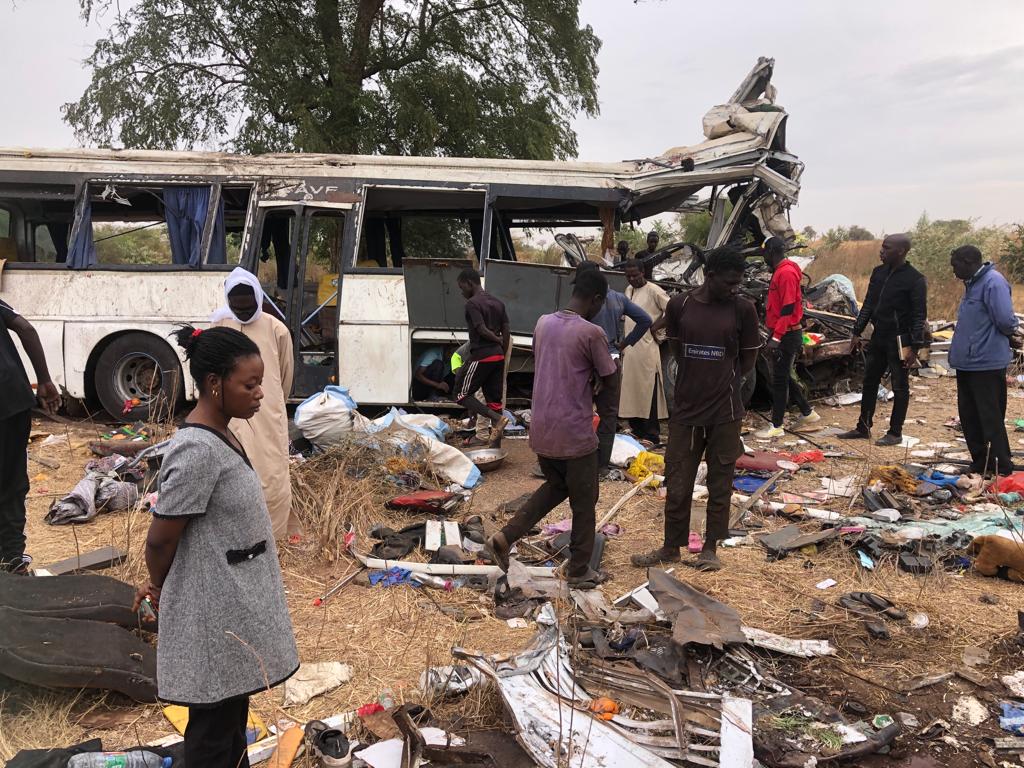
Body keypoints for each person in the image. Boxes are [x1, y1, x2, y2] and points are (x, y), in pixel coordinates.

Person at [134, 325, 298, 768]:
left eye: (260, 382)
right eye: (249, 384)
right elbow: (161, 538)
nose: (259, 393)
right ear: (213, 383)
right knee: (211, 734)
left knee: (230, 722)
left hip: (228, 610)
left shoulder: (223, 433)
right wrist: (158, 586)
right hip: (210, 616)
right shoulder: (197, 451)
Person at [631, 248, 761, 572]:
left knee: (720, 482)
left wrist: (721, 381)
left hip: (725, 413)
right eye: (728, 282)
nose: (734, 288)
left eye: (738, 283)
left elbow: (747, 361)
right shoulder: (680, 305)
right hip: (686, 412)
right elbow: (677, 350)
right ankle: (670, 547)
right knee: (677, 481)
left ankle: (710, 548)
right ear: (709, 276)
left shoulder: (743, 309)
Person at [487, 269, 617, 588]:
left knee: (558, 485)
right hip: (574, 431)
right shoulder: (592, 333)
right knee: (585, 501)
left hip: (542, 429)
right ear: (596, 299)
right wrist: (605, 431)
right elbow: (610, 379)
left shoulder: (543, 323)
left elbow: (557, 364)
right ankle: (580, 570)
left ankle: (505, 537)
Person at [210, 268, 301, 542]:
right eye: (237, 307)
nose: (243, 312)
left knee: (271, 474)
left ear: (258, 298)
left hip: (267, 414)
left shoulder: (276, 329)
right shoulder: (219, 326)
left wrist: (272, 403)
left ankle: (272, 536)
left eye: (248, 306)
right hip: (229, 416)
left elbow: (285, 373)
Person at [838, 234, 927, 446]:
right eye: (882, 247)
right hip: (879, 336)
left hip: (900, 339)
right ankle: (863, 427)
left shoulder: (915, 279)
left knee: (900, 386)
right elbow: (868, 304)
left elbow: (919, 316)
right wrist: (857, 331)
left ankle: (895, 432)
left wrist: (915, 347)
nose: (882, 251)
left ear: (901, 251)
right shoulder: (879, 273)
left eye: (887, 248)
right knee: (869, 381)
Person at [1, 299, 60, 574]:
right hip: (13, 397)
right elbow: (26, 328)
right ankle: (13, 560)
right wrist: (44, 380)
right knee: (12, 481)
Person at [576, 261, 653, 474]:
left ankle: (577, 460)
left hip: (587, 362)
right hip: (612, 359)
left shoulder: (586, 300)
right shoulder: (619, 298)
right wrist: (624, 343)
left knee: (580, 410)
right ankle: (601, 466)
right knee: (608, 415)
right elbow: (645, 320)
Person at [949, 245, 1018, 475]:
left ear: (968, 262)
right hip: (968, 362)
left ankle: (1001, 466)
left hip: (986, 362)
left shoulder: (993, 282)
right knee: (970, 416)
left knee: (989, 417)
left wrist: (1012, 335)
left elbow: (1005, 320)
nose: (953, 270)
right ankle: (981, 463)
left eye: (955, 265)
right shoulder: (972, 283)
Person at [754, 237, 820, 439]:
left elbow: (788, 307)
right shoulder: (782, 271)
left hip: (787, 334)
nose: (764, 258)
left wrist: (777, 337)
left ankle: (777, 425)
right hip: (784, 332)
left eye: (764, 253)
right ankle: (807, 412)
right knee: (783, 374)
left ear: (772, 251)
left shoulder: (786, 273)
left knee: (779, 381)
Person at [456, 269, 510, 446]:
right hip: (498, 356)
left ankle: (496, 418)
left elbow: (480, 328)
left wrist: (494, 340)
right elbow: (507, 332)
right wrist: (501, 351)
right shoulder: (498, 303)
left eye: (462, 287)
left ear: (469, 283)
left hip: (482, 354)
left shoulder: (472, 303)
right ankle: (496, 448)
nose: (461, 292)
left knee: (460, 394)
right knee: (494, 402)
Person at [619, 260, 669, 445]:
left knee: (648, 390)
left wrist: (655, 327)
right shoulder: (629, 290)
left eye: (635, 275)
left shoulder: (654, 290)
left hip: (647, 349)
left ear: (643, 272)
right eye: (629, 276)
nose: (632, 279)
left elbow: (672, 309)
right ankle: (637, 430)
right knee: (632, 390)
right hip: (631, 349)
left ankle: (651, 434)